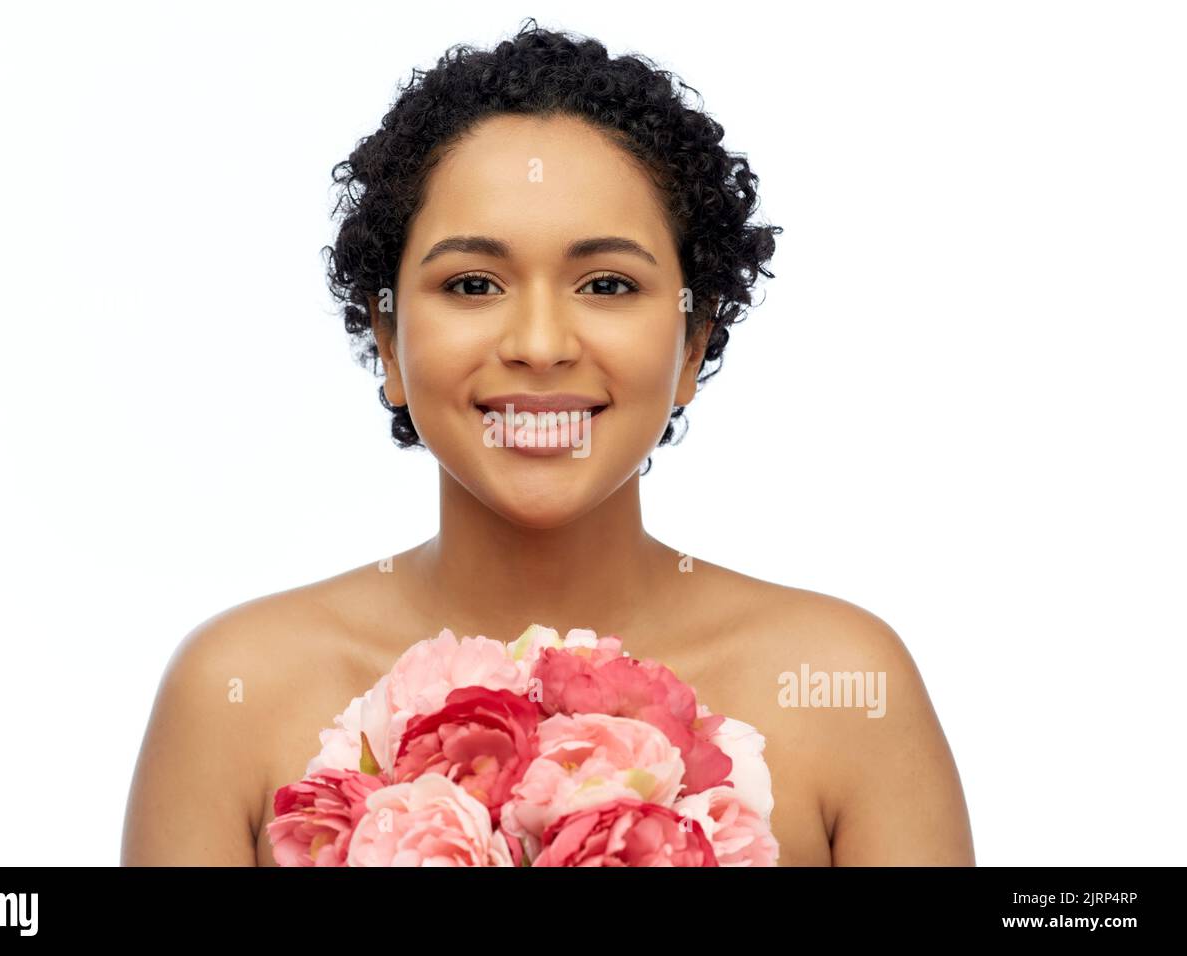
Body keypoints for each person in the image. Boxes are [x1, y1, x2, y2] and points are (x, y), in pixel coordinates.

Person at [121, 19, 974, 866]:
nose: (538, 342)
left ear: (692, 342)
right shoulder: (233, 696)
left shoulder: (849, 694)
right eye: (472, 283)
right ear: (388, 338)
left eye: (607, 284)